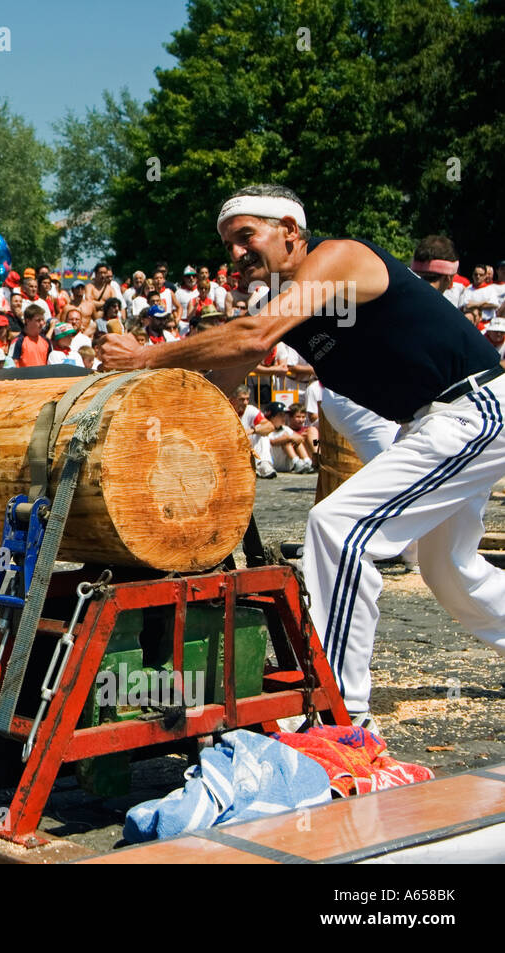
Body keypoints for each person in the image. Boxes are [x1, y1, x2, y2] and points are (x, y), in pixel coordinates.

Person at [101, 182, 505, 729]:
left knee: (340, 526)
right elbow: (226, 375)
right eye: (228, 245)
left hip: (472, 405)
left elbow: (250, 337)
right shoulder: (286, 304)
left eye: (246, 236)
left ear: (291, 231)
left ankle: (339, 717)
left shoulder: (339, 257)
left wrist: (146, 355)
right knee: (447, 567)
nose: (236, 255)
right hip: (437, 419)